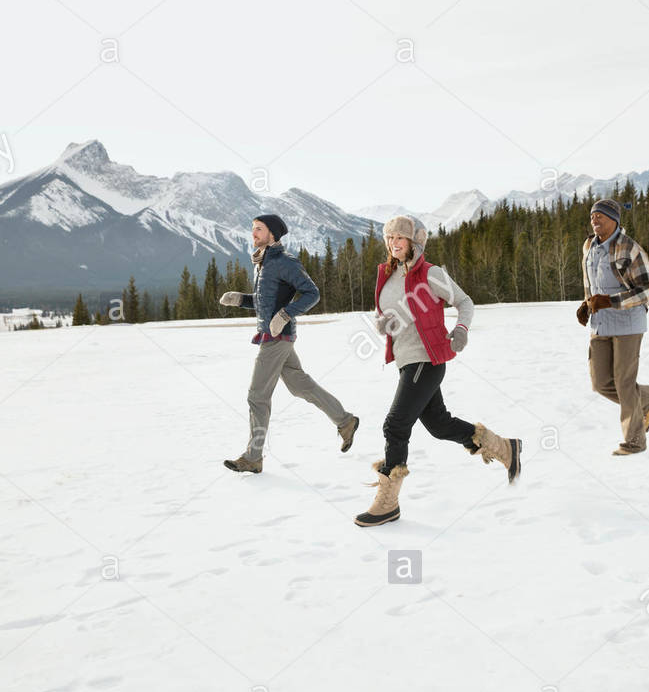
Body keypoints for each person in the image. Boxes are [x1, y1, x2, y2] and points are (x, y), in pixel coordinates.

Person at [357, 215, 521, 527]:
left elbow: (465, 301)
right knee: (438, 424)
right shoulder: (387, 275)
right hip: (407, 361)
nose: (394, 244)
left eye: (400, 239)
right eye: (390, 238)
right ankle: (504, 447)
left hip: (426, 360)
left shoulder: (431, 274)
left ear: (414, 242)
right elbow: (398, 315)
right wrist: (386, 323)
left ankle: (387, 503)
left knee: (395, 425)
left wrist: (461, 328)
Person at [219, 214, 358, 473]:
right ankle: (345, 421)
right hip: (272, 335)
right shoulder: (262, 263)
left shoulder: (285, 262)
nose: (254, 234)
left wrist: (285, 315)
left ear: (273, 234)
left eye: (259, 230)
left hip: (277, 338)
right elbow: (265, 301)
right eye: (253, 229)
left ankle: (253, 457)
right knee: (299, 385)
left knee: (257, 397)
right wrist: (241, 299)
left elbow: (312, 293)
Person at [577, 197, 649, 456]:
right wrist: (587, 303)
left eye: (600, 215)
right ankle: (646, 398)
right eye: (592, 216)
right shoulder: (589, 246)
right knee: (600, 382)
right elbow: (592, 283)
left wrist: (611, 301)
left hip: (628, 324)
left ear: (614, 219)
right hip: (600, 324)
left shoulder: (629, 248)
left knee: (624, 383)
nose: (595, 219)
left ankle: (635, 441)